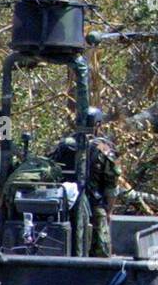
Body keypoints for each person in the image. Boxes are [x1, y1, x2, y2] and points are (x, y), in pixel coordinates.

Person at [48, 107, 118, 257]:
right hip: (94, 206)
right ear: (98, 125)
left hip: (64, 204)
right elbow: (111, 187)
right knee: (101, 253)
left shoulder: (63, 145)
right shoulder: (103, 149)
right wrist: (109, 212)